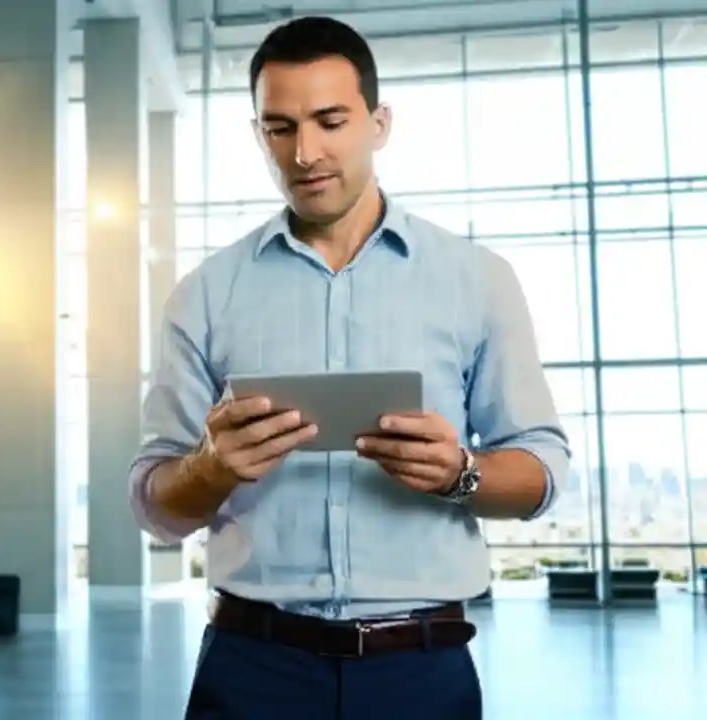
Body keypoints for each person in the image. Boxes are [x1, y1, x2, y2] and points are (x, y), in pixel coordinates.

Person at [128, 15, 571, 720]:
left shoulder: (477, 279)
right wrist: (210, 467)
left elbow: (544, 473)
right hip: (251, 668)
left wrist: (461, 472)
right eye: (279, 127)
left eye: (330, 120)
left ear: (378, 122)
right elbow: (154, 507)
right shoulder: (207, 293)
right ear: (259, 135)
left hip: (421, 669)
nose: (304, 152)